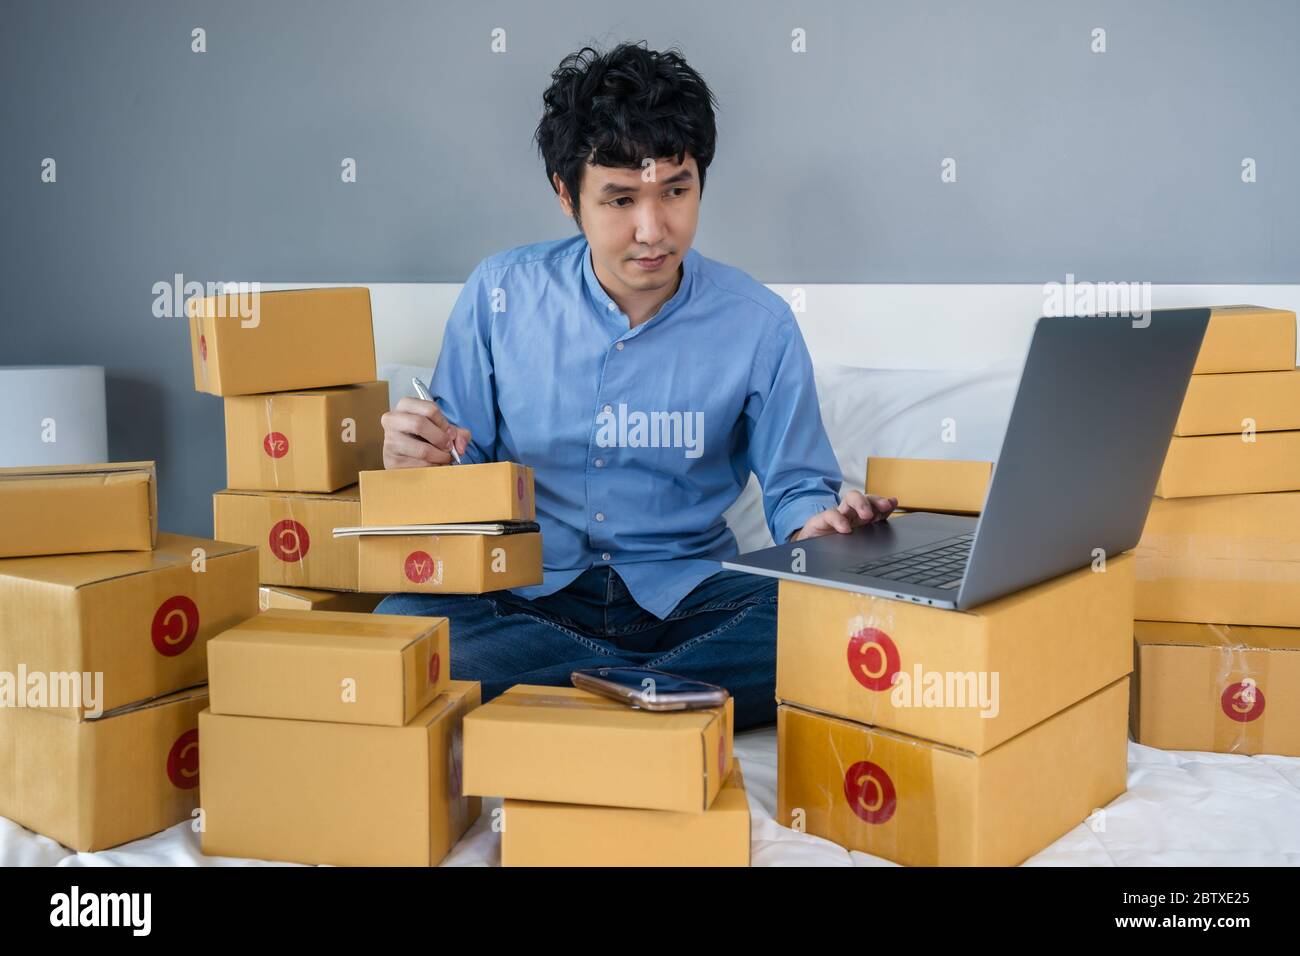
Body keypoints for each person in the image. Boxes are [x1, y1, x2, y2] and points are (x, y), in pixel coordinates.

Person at [376, 41, 895, 730]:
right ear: (568, 196)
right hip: (528, 599)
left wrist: (820, 529)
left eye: (675, 191)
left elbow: (797, 489)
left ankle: (573, 696)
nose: (652, 230)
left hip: (691, 606)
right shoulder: (500, 293)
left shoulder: (760, 324)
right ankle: (662, 697)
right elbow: (461, 465)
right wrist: (420, 460)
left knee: (844, 620)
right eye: (619, 199)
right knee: (394, 637)